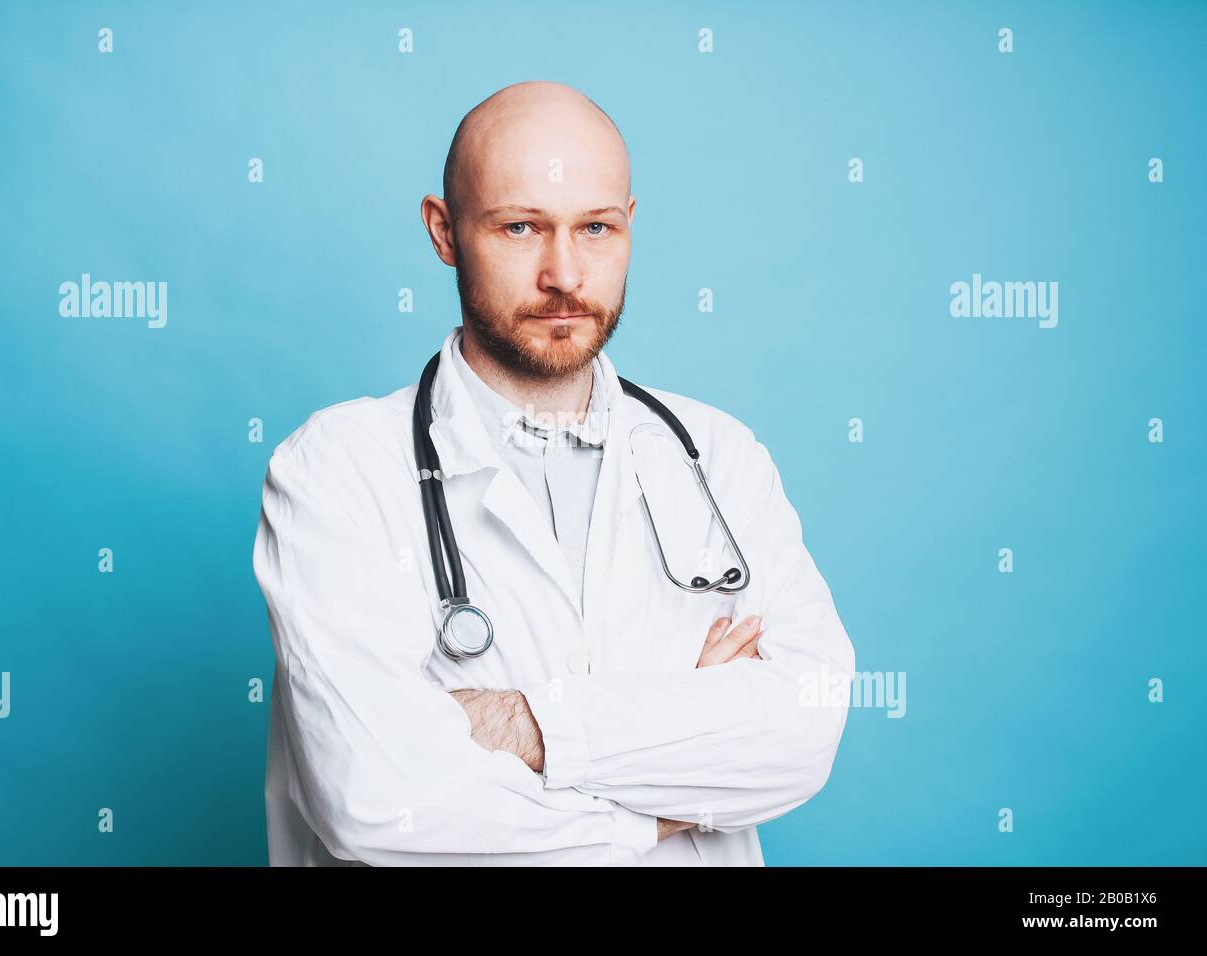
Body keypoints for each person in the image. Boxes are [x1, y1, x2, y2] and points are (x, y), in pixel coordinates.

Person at [252, 80, 855, 866]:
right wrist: (668, 780)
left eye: (596, 227)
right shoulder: (336, 470)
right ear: (444, 231)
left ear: (630, 225)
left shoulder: (718, 455)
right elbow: (381, 801)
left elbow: (801, 731)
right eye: (521, 227)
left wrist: (518, 723)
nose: (565, 274)